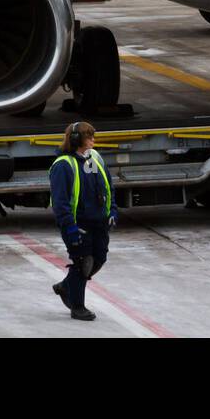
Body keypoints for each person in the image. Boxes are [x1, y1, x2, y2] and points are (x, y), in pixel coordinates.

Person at [49, 121, 117, 321]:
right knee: (83, 263)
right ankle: (77, 306)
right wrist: (70, 227)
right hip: (78, 225)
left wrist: (112, 210)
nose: (93, 140)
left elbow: (107, 186)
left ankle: (66, 286)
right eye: (89, 137)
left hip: (99, 221)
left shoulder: (93, 157)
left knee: (99, 258)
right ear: (77, 140)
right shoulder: (63, 166)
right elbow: (60, 202)